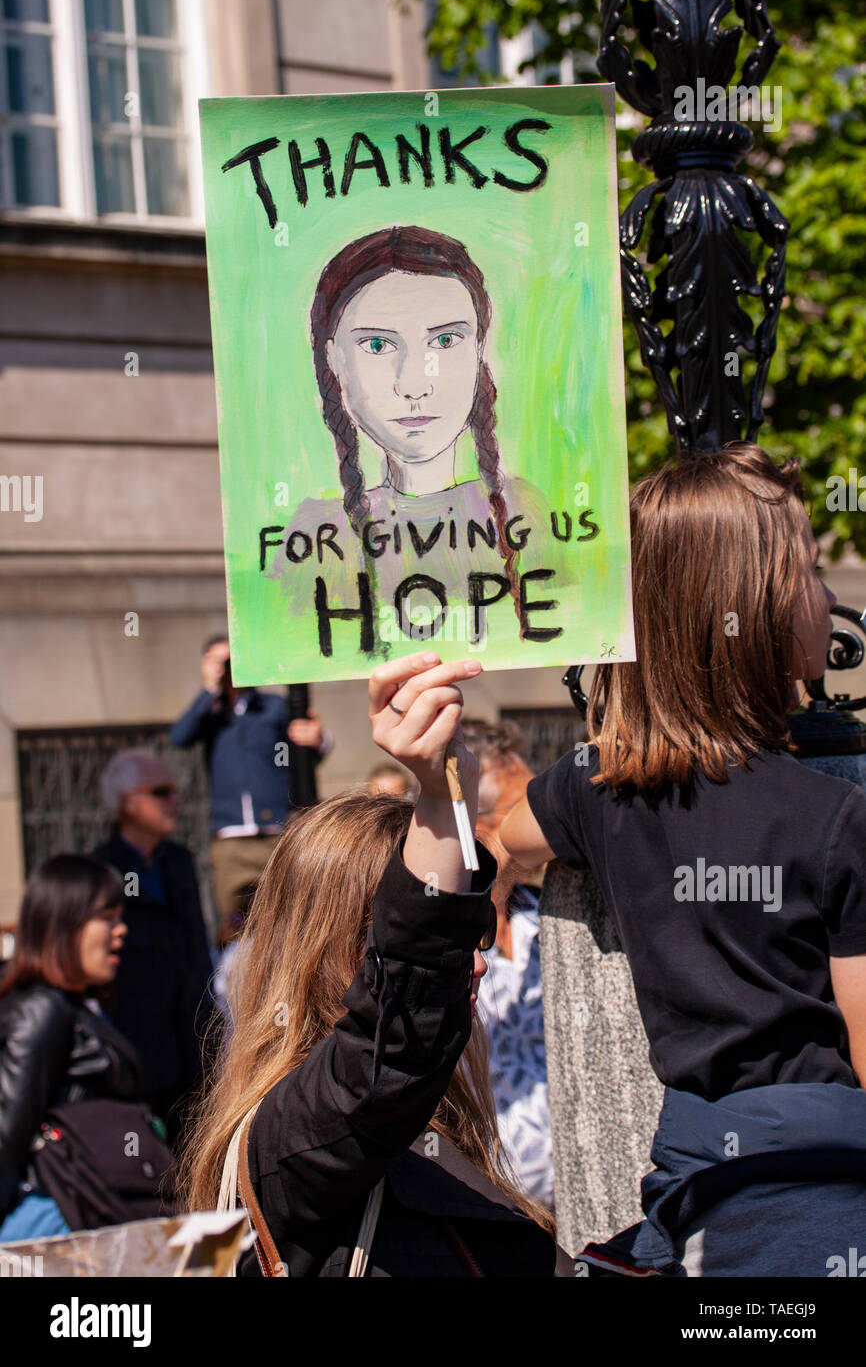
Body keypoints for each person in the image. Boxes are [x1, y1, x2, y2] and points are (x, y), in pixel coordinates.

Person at [501, 444, 866, 1277]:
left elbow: (503, 832)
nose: (828, 598)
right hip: (814, 1197)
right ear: (757, 608)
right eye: (810, 572)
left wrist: (495, 885)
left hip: (695, 1185)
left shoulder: (600, 787)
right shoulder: (836, 819)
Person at [181, 652, 572, 1277]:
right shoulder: (292, 1140)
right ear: (342, 948)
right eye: (446, 934)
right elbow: (397, 1026)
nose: (474, 964)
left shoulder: (431, 1134)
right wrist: (442, 798)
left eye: (470, 935)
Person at [267, 225, 557, 647]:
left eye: (444, 340)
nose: (414, 383)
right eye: (378, 345)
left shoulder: (528, 515)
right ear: (335, 362)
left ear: (479, 351)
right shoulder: (316, 537)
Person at [0, 856, 138, 1242]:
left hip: (83, 1211)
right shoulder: (41, 1009)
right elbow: (8, 1136)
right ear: (64, 922)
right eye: (107, 917)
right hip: (51, 1219)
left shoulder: (78, 1005)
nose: (120, 930)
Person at [170, 634, 331, 943]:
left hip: (276, 831)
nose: (229, 667)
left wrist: (318, 739)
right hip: (230, 837)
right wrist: (209, 690)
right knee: (235, 927)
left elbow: (310, 752)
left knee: (288, 920)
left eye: (233, 659)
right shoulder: (209, 712)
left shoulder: (272, 707)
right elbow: (179, 737)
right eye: (221, 661)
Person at [91, 750, 215, 1150]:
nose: (174, 800)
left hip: (191, 1044)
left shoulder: (179, 861)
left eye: (175, 791)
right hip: (138, 1049)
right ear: (127, 802)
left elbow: (197, 946)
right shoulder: (102, 868)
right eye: (161, 791)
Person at [461, 718, 555, 1211]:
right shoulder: (440, 940)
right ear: (471, 826)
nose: (536, 825)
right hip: (488, 1210)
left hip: (573, 1209)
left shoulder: (543, 920)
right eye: (519, 810)